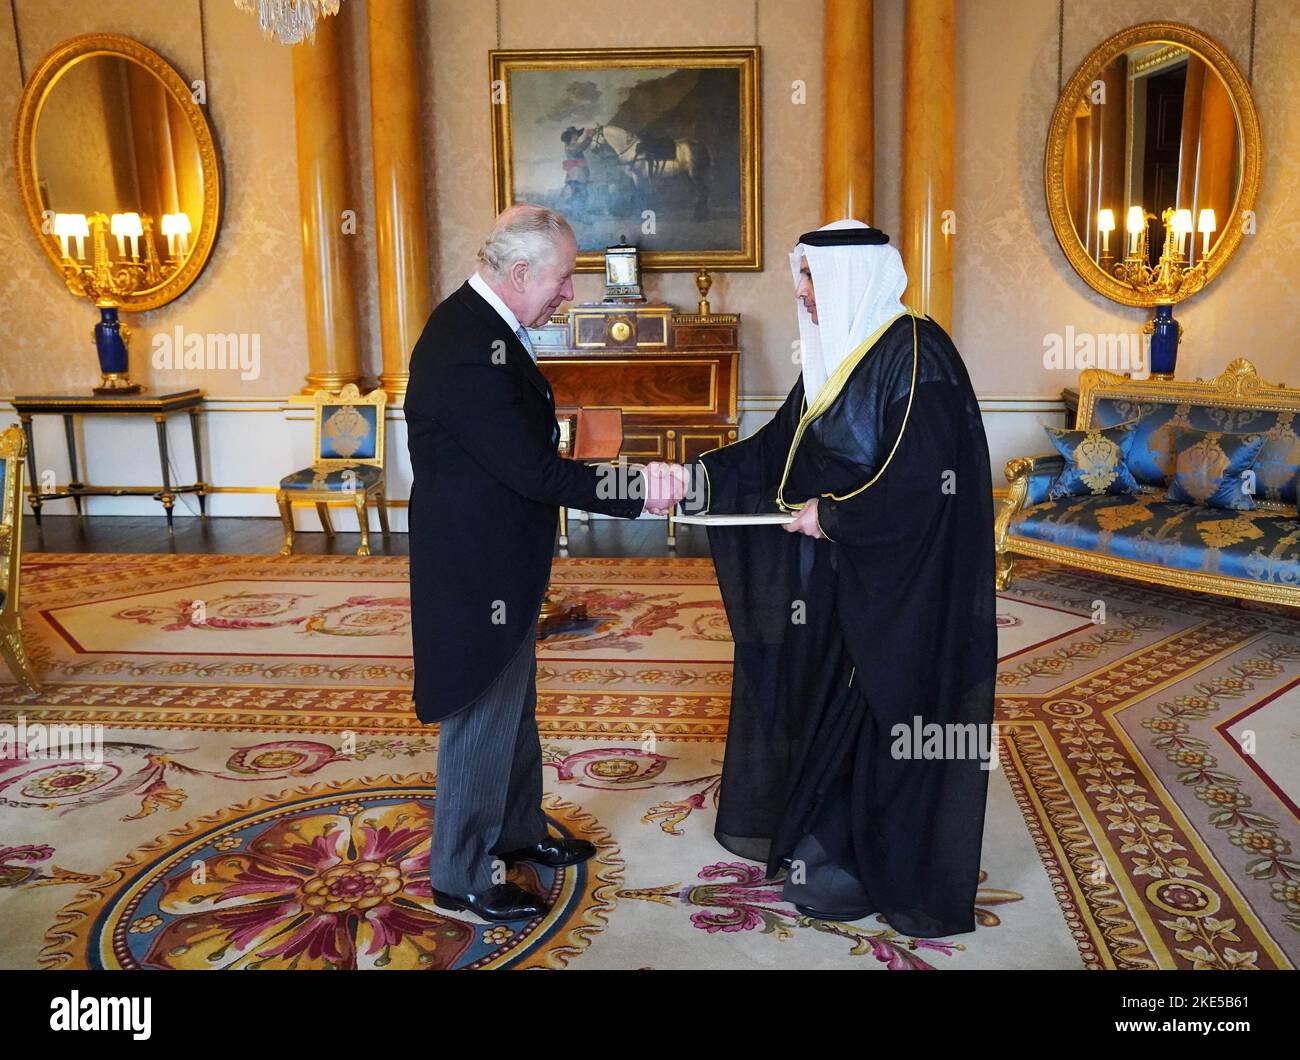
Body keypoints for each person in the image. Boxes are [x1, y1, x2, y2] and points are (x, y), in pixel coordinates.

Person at [673, 219, 997, 937]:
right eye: (801, 275)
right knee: (826, 701)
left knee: (887, 712)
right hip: (836, 581)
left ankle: (885, 858)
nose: (802, 293)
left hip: (899, 587)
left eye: (810, 277)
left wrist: (836, 516)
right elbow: (774, 451)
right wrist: (694, 478)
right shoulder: (839, 356)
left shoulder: (918, 354)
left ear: (851, 278)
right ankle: (833, 831)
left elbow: (925, 482)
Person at [404, 204, 685, 923]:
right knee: (481, 709)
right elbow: (536, 472)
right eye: (563, 278)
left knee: (514, 707)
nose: (570, 293)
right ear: (522, 270)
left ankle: (518, 832)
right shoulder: (469, 343)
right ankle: (460, 872)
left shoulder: (489, 327)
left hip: (499, 552)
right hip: (475, 562)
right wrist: (636, 487)